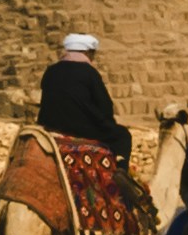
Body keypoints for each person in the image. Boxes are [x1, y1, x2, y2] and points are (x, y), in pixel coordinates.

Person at [35, 32, 130, 165]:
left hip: (50, 125)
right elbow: (105, 105)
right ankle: (121, 173)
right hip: (80, 128)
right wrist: (108, 124)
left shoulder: (51, 70)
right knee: (123, 135)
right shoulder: (89, 72)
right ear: (89, 53)